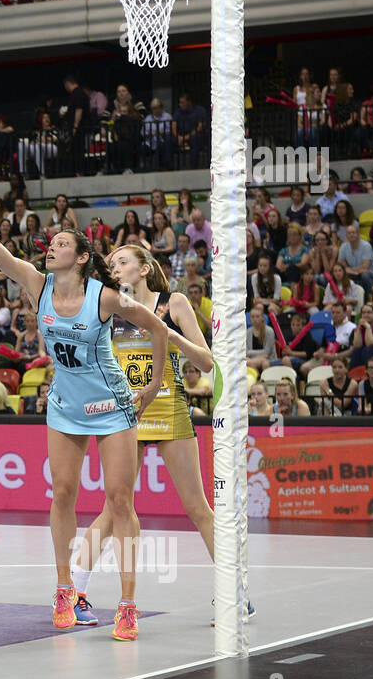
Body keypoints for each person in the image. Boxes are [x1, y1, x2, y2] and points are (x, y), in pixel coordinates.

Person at [0, 161, 166, 641]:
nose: (52, 247)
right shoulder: (36, 284)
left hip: (111, 406)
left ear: (81, 258)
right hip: (64, 405)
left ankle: (127, 604)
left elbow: (158, 329)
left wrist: (151, 386)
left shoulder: (103, 297)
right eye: (51, 243)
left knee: (119, 502)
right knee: (63, 493)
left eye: (62, 244)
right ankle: (65, 589)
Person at [73, 245, 249, 625]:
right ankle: (75, 591)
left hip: (169, 408)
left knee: (198, 507)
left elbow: (206, 363)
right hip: (126, 413)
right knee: (114, 507)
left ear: (144, 268)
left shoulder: (175, 302)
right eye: (113, 263)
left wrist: (168, 335)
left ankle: (235, 593)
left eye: (123, 261)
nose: (115, 268)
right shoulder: (110, 305)